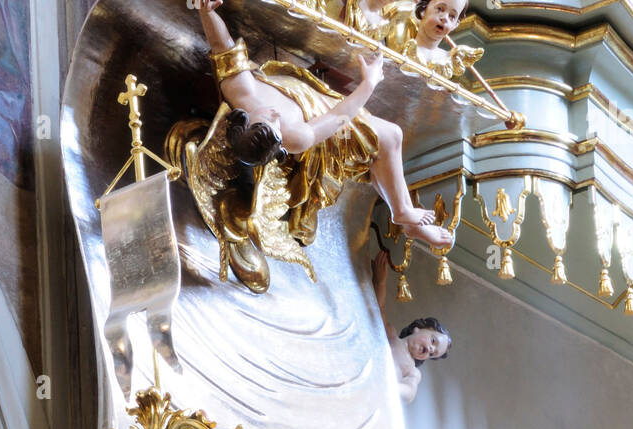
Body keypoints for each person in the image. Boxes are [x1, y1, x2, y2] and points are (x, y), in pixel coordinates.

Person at [194, 0, 453, 250]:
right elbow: (339, 116)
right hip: (326, 120)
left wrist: (206, 11)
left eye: (266, 119)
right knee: (390, 136)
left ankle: (403, 214)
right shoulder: (293, 136)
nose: (274, 115)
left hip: (309, 90)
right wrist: (369, 84)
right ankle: (403, 213)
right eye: (276, 127)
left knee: (386, 144)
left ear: (247, 122)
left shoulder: (241, 90)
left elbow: (221, 45)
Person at [372, 248, 451, 402]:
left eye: (432, 354)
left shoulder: (412, 370)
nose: (430, 349)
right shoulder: (392, 336)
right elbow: (377, 309)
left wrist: (389, 385)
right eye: (433, 341)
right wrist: (380, 281)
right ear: (419, 328)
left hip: (376, 389)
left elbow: (409, 392)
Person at [386, 0, 483, 80]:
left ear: (455, 25)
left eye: (452, 16)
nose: (445, 18)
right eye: (440, 9)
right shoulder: (405, 44)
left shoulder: (448, 59)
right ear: (423, 10)